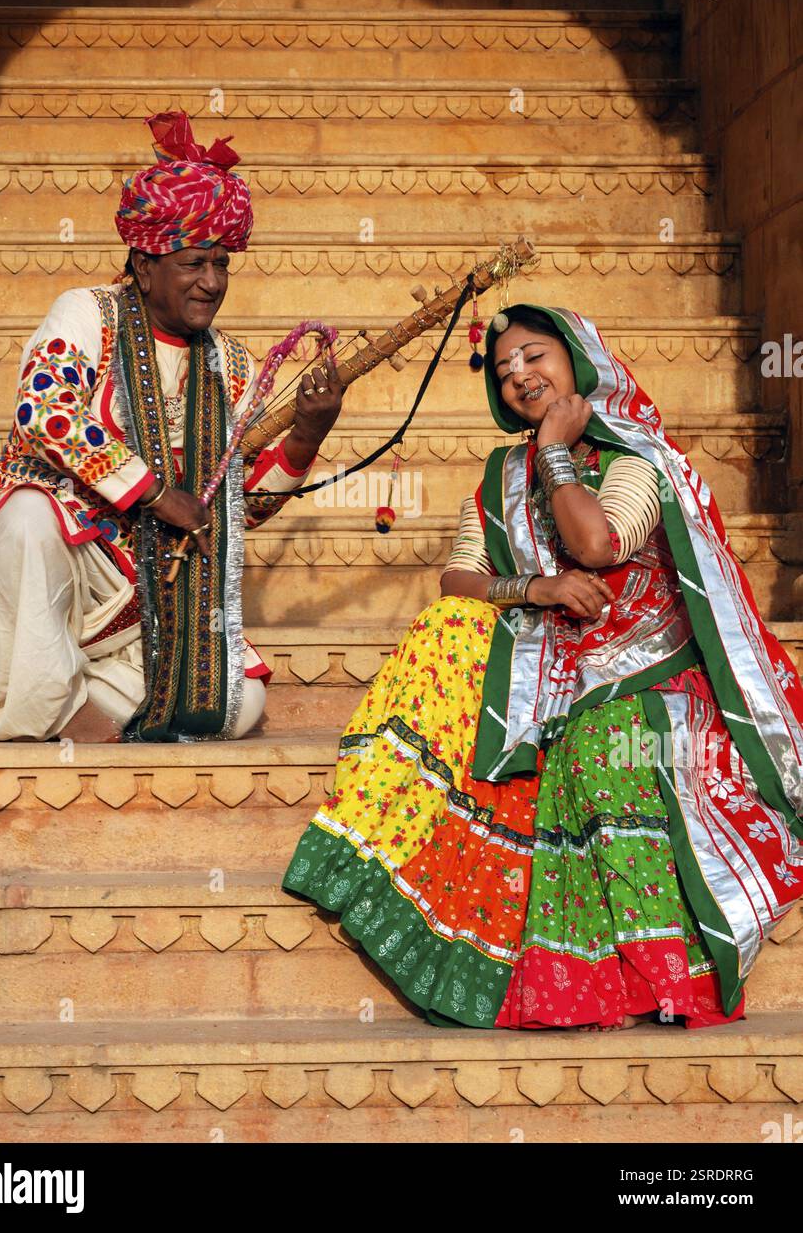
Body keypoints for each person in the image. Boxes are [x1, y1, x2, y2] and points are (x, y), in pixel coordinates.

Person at [282, 302, 803, 1030]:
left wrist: (558, 451)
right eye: (504, 371)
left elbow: (597, 546)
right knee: (449, 627)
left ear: (579, 362)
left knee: (599, 749)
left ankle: (646, 971)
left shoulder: (638, 457)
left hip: (644, 664)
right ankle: (384, 833)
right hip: (549, 654)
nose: (520, 377)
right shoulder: (500, 476)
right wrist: (536, 587)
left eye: (535, 358)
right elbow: (459, 579)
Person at [0, 110, 343, 744]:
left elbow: (235, 507)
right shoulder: (87, 312)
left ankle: (58, 690)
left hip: (146, 581)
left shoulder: (230, 364)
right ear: (145, 266)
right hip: (58, 553)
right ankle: (52, 696)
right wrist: (155, 494)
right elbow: (46, 414)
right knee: (28, 521)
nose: (212, 282)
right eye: (194, 263)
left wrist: (305, 439)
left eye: (222, 264)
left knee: (240, 704)